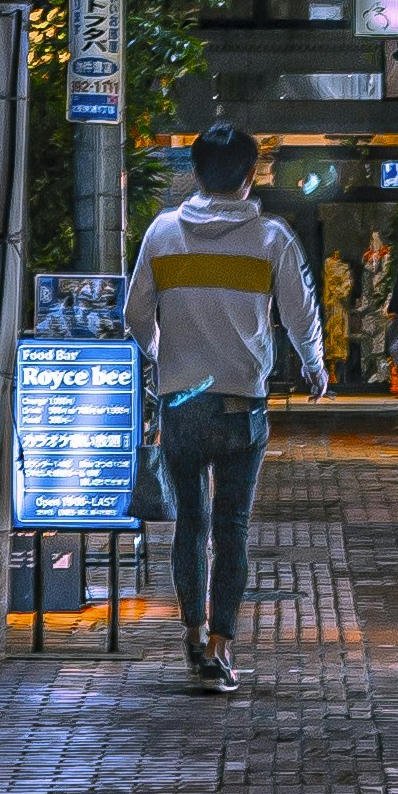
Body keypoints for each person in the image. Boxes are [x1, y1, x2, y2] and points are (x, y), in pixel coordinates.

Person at [123, 119, 326, 690]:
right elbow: (300, 314)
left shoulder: (163, 233)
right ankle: (220, 648)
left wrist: (165, 356)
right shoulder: (271, 237)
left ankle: (191, 633)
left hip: (181, 402)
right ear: (249, 175)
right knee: (231, 526)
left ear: (195, 173)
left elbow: (136, 314)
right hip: (242, 403)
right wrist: (315, 366)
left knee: (190, 523)